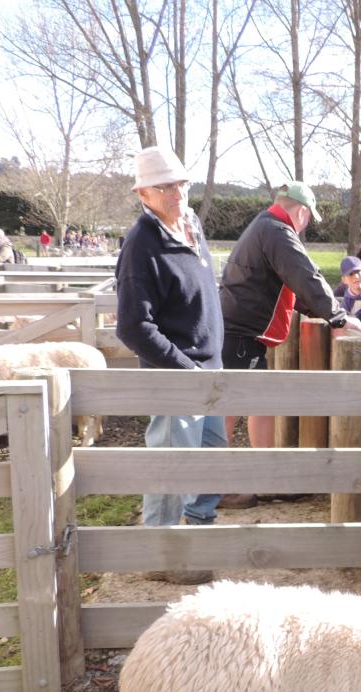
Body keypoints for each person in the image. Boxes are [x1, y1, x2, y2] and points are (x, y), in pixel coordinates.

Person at [115, 146, 225, 583]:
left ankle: (196, 541)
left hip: (209, 369)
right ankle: (161, 553)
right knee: (172, 461)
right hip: (178, 373)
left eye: (180, 183)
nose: (176, 192)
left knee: (212, 459)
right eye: (164, 186)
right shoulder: (142, 242)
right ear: (144, 193)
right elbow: (133, 326)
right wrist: (185, 368)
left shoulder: (190, 224)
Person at [217, 181, 359, 506]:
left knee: (259, 406)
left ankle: (266, 478)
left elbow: (291, 284)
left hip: (240, 332)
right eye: (308, 219)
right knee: (227, 410)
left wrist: (324, 312)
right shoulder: (278, 231)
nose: (307, 225)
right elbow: (304, 275)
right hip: (240, 333)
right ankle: (215, 486)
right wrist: (337, 317)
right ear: (302, 211)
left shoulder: (264, 226)